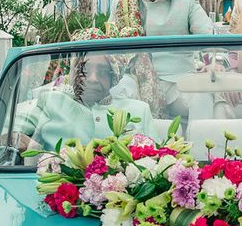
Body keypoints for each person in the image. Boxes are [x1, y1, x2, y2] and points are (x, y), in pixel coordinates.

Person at [108, 0, 213, 117]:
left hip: (180, 82)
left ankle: (203, 146)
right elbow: (109, 48)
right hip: (136, 81)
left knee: (203, 98)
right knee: (117, 94)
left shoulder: (187, 2)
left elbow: (211, 41)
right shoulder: (123, 5)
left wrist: (213, 63)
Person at [9, 51, 155, 156]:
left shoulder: (139, 110)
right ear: (73, 74)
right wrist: (23, 142)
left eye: (103, 72)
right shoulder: (52, 101)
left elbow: (159, 157)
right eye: (84, 70)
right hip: (57, 189)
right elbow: (7, 130)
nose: (92, 78)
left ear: (114, 78)